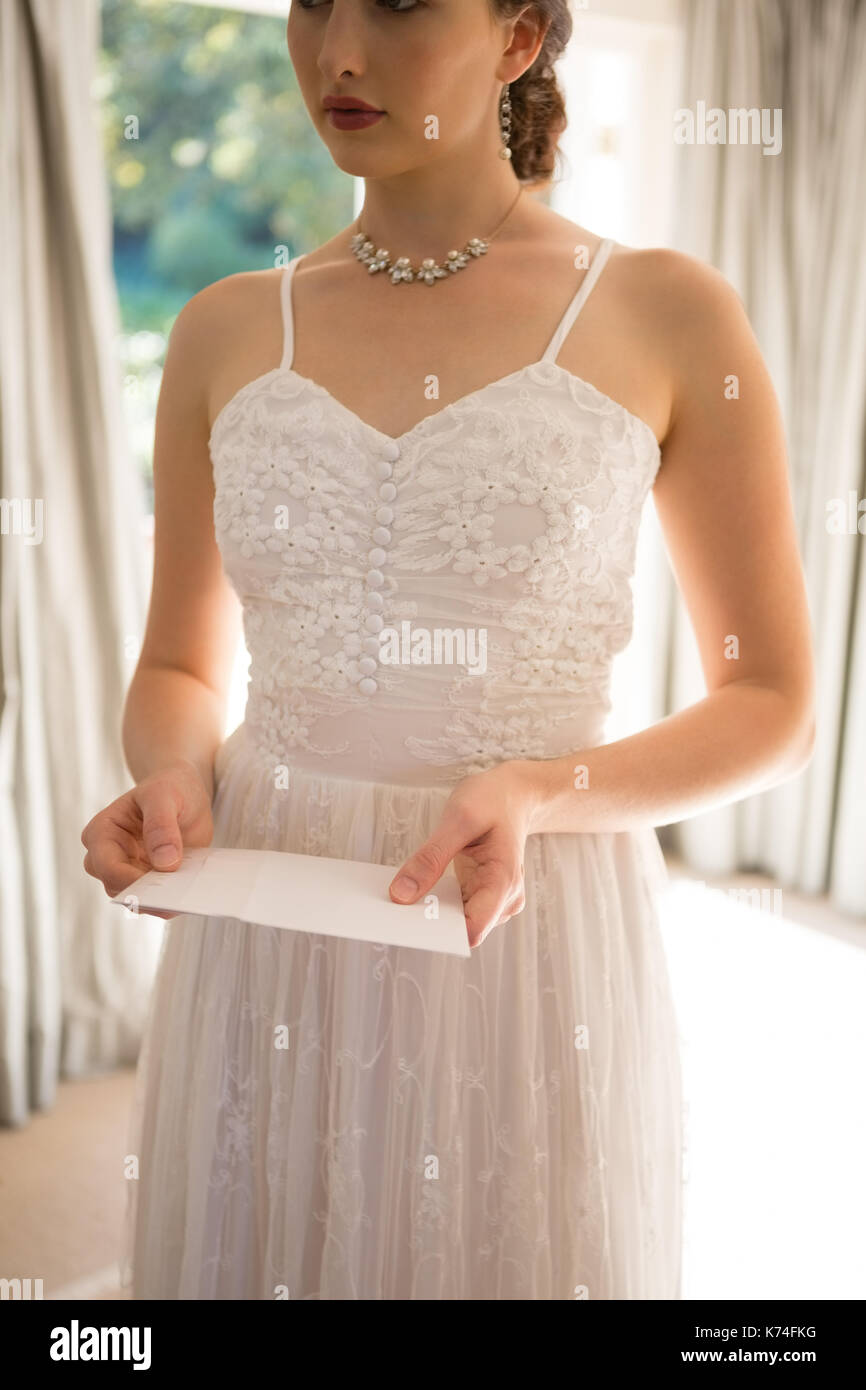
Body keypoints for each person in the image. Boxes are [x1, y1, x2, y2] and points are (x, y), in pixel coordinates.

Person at [81, 0, 814, 1300]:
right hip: (268, 900)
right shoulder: (224, 327)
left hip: (522, 921)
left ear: (518, 37)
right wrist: (173, 776)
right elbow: (181, 669)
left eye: (399, 2)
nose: (337, 50)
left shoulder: (662, 310)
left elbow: (769, 700)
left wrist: (542, 786)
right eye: (313, 2)